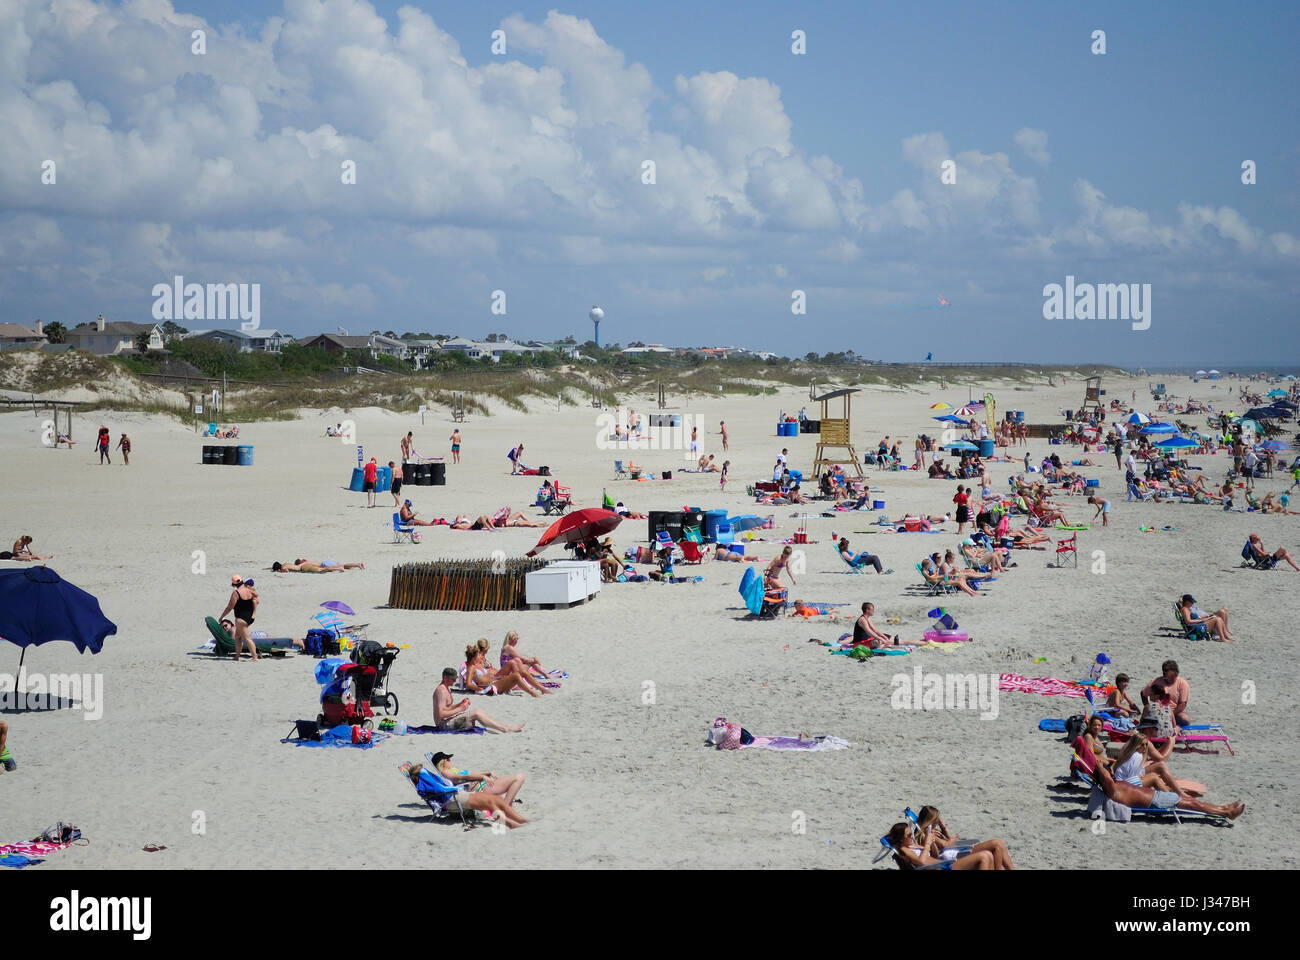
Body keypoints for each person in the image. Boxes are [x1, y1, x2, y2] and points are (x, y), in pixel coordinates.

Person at [1089, 753, 1243, 820]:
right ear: (1104, 778)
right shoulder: (1111, 789)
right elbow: (1102, 770)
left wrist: (1104, 765)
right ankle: (1226, 812)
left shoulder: (1114, 784)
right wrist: (1099, 765)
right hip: (1156, 801)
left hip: (1157, 797)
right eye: (1108, 772)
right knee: (1195, 804)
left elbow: (1105, 769)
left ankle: (1225, 808)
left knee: (1195, 803)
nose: (1111, 771)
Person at [405, 761, 528, 827]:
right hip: (452, 799)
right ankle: (510, 823)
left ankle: (520, 819)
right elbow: (441, 789)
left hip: (455, 795)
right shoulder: (424, 781)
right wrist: (456, 789)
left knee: (496, 800)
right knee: (490, 802)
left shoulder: (425, 781)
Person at [914, 806, 1014, 870]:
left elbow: (949, 841)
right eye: (937, 819)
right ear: (930, 820)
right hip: (951, 857)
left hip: (953, 852)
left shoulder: (933, 831)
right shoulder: (926, 834)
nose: (938, 820)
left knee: (998, 844)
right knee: (996, 844)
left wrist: (944, 828)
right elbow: (947, 845)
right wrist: (950, 840)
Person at [433, 667, 523, 733]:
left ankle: (505, 726)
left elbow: (446, 708)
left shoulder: (447, 688)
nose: (454, 681)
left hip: (449, 721)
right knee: (476, 713)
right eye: (452, 679)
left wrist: (460, 704)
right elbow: (441, 715)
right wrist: (460, 709)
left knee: (478, 710)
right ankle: (505, 729)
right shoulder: (441, 691)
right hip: (444, 726)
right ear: (445, 678)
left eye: (455, 679)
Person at [431, 751, 526, 806]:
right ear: (442, 762)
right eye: (448, 759)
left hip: (483, 785)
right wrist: (482, 777)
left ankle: (506, 805)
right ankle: (506, 807)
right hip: (482, 789)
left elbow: (470, 774)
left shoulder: (451, 770)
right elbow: (462, 777)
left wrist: (487, 772)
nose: (450, 760)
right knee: (519, 778)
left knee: (514, 779)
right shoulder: (445, 772)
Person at [887, 822, 994, 870]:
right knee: (984, 856)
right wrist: (927, 844)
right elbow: (921, 862)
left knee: (988, 855)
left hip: (942, 863)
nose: (912, 836)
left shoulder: (912, 845)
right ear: (901, 839)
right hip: (942, 867)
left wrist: (932, 842)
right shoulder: (905, 850)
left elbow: (935, 855)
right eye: (909, 835)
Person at [474, 638, 552, 694]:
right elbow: (481, 672)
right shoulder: (478, 658)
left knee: (515, 661)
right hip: (494, 678)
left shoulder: (482, 656)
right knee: (512, 662)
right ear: (485, 648)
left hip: (496, 674)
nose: (488, 649)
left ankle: (523, 682)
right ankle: (520, 682)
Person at [465, 645, 545, 698]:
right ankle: (533, 694)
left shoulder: (477, 665)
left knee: (523, 672)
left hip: (494, 682)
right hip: (490, 688)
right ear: (474, 657)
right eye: (478, 655)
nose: (479, 657)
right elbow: (468, 684)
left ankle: (542, 689)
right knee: (516, 675)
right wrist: (478, 688)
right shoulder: (471, 667)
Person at [217, 575, 261, 662]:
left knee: (247, 638)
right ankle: (237, 656)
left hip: (241, 619)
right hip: (250, 618)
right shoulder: (249, 590)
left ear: (233, 584)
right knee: (237, 637)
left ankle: (255, 657)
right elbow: (256, 599)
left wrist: (222, 617)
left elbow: (230, 607)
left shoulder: (236, 593)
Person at [1141, 661, 1191, 726]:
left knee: (1185, 718)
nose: (1164, 672)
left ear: (1174, 671)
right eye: (1163, 670)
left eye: (1166, 670)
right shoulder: (1156, 681)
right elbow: (1143, 693)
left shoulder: (1182, 683)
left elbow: (1182, 705)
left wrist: (1168, 714)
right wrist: (1147, 706)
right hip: (1157, 710)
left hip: (1173, 712)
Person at [272, 559, 366, 572]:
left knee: (323, 569)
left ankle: (339, 568)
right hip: (303, 564)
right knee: (344, 565)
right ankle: (357, 564)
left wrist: (280, 571)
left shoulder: (283, 567)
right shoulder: (285, 563)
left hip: (302, 567)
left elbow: (286, 571)